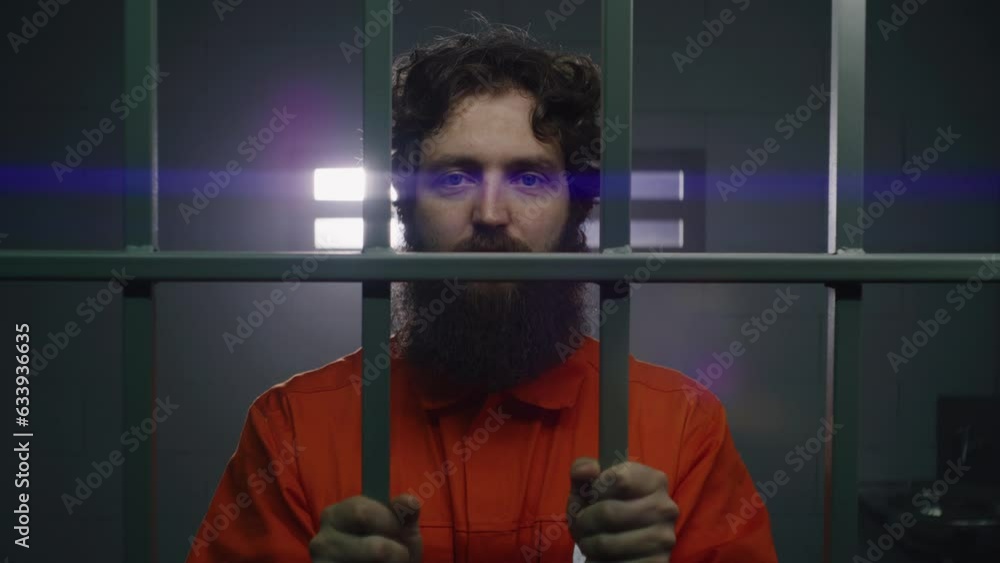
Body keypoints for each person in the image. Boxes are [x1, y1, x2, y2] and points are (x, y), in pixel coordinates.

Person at [185, 22, 778, 563]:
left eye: (528, 177)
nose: (491, 214)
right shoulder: (293, 425)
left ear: (577, 207)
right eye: (454, 176)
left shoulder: (681, 424)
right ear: (405, 204)